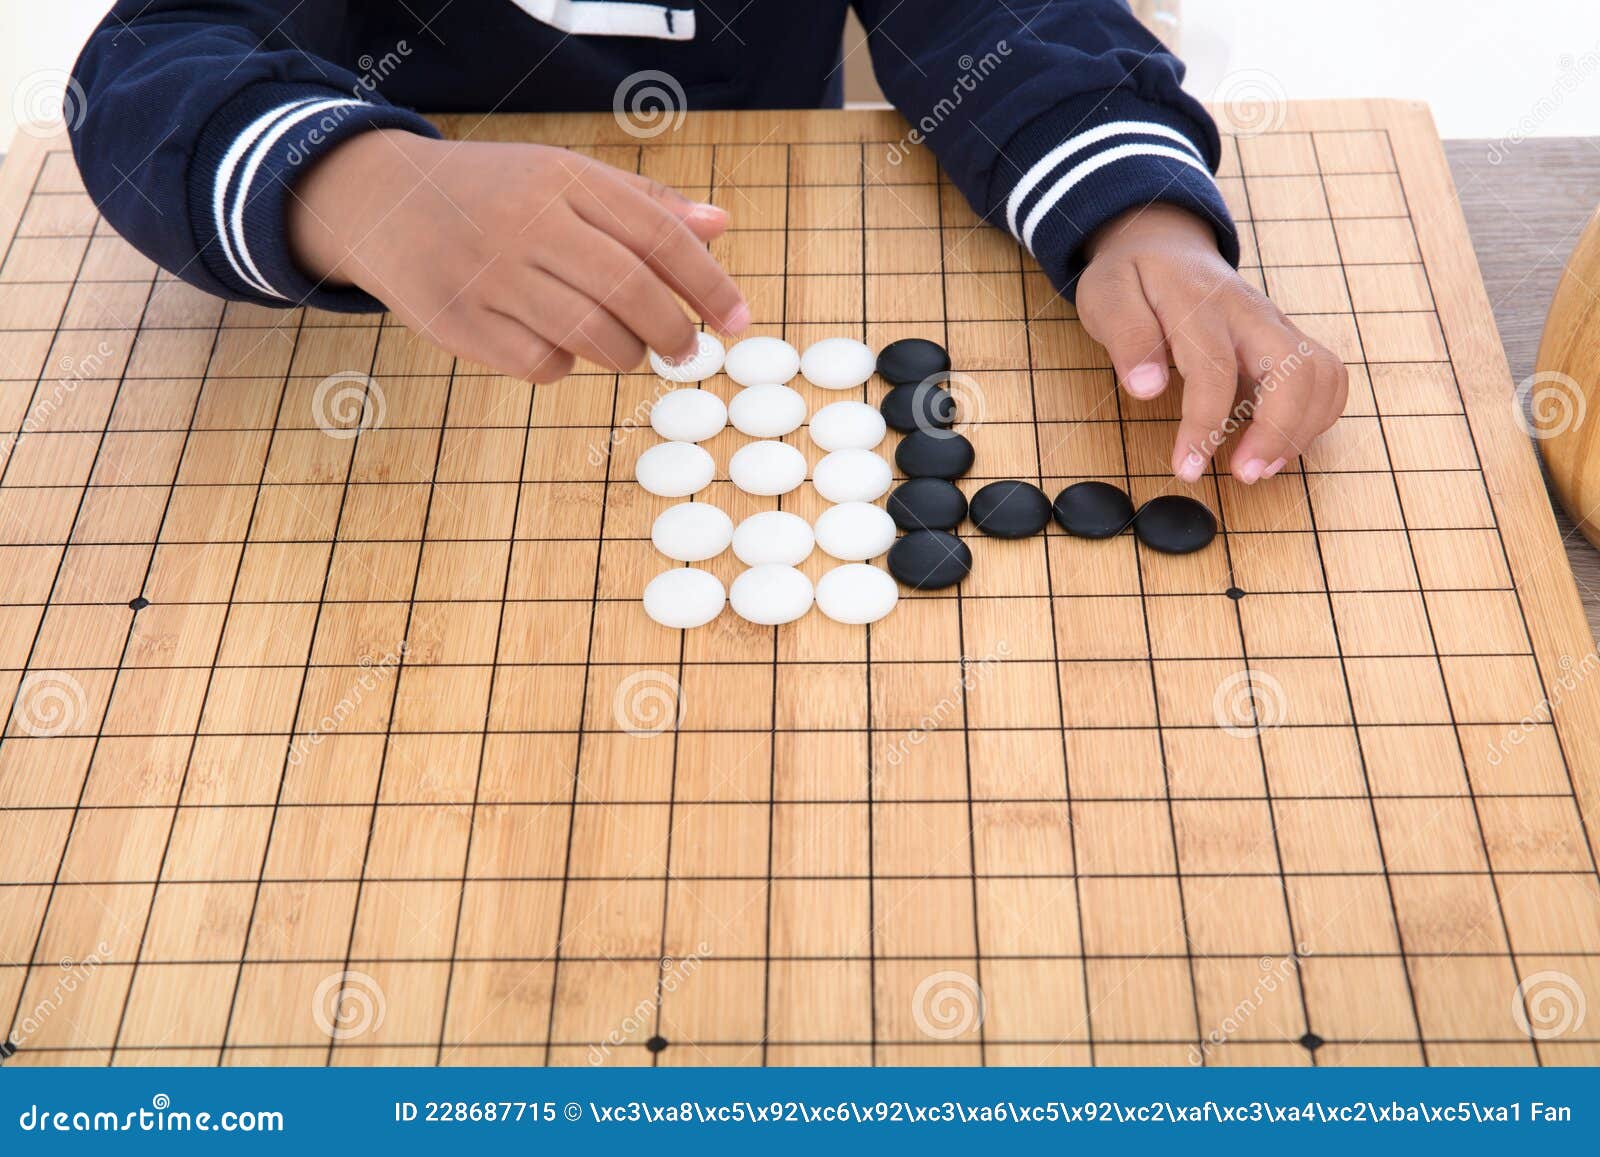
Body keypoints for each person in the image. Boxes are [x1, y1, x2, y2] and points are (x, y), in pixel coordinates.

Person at [68, 0, 1345, 484]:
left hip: (766, 234)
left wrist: (1137, 214)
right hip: (412, 391)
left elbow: (994, 16)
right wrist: (358, 189)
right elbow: (141, 70)